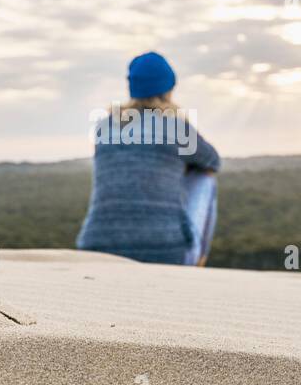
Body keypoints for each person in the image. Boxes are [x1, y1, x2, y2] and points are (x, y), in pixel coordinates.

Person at [76, 52, 220, 266]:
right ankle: (198, 262)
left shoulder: (104, 126)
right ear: (169, 89)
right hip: (166, 252)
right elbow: (214, 161)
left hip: (95, 247)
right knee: (205, 177)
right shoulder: (176, 127)